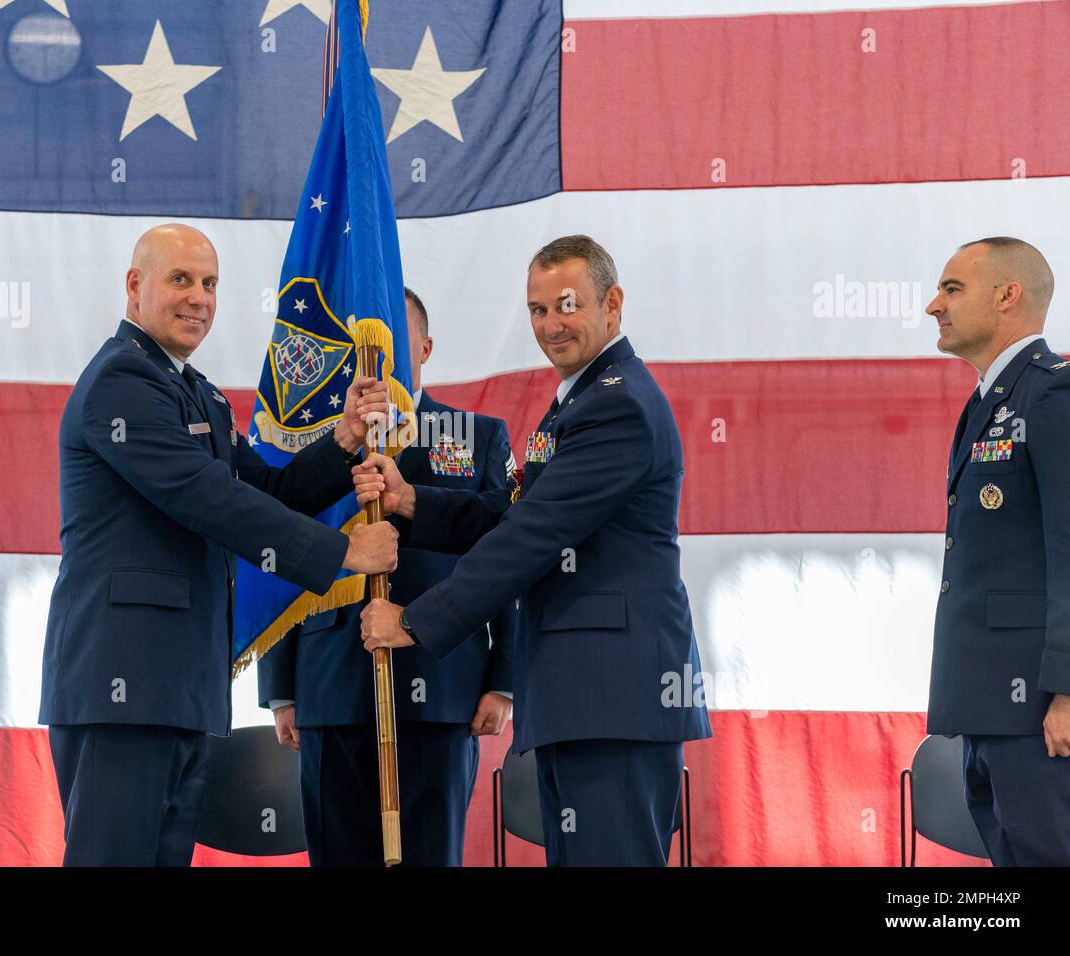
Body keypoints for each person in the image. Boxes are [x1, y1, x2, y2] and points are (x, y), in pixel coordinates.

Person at [38, 223, 398, 866]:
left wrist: (342, 439)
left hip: (180, 686)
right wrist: (341, 555)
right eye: (180, 279)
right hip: (123, 685)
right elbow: (209, 499)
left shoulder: (195, 390)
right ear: (134, 285)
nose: (199, 297)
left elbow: (266, 487)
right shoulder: (122, 382)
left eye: (209, 284)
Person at [354, 235, 711, 866]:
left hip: (616, 700)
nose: (551, 325)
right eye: (538, 310)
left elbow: (532, 536)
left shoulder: (618, 405)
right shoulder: (581, 399)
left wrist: (414, 622)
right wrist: (413, 502)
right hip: (583, 697)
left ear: (613, 303)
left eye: (566, 304)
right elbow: (514, 512)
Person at [258, 287, 515, 866]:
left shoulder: (478, 437)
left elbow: (507, 558)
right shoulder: (316, 440)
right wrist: (281, 685)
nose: (378, 362)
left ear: (425, 347)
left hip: (443, 683)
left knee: (429, 856)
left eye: (394, 345)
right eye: (365, 349)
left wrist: (504, 678)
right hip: (329, 683)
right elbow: (276, 550)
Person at [924, 236, 1070, 865]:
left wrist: (1069, 690)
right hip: (988, 704)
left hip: (1038, 710)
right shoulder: (990, 400)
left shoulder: (1052, 394)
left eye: (952, 288)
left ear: (1008, 295)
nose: (935, 305)